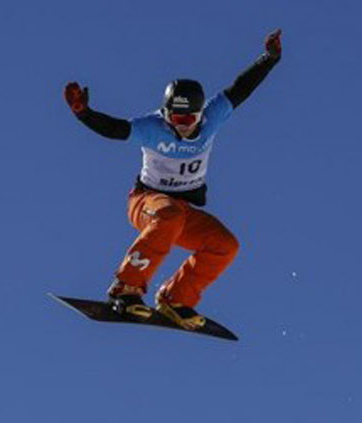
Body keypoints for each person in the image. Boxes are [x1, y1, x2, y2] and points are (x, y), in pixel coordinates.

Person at [63, 30, 282, 329]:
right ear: (165, 114)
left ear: (199, 115)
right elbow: (115, 129)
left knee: (224, 244)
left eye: (188, 120)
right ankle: (125, 288)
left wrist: (268, 59)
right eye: (175, 120)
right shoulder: (152, 127)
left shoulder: (212, 118)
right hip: (146, 203)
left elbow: (241, 89)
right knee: (170, 214)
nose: (182, 127)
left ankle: (175, 299)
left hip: (181, 212)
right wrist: (84, 113)